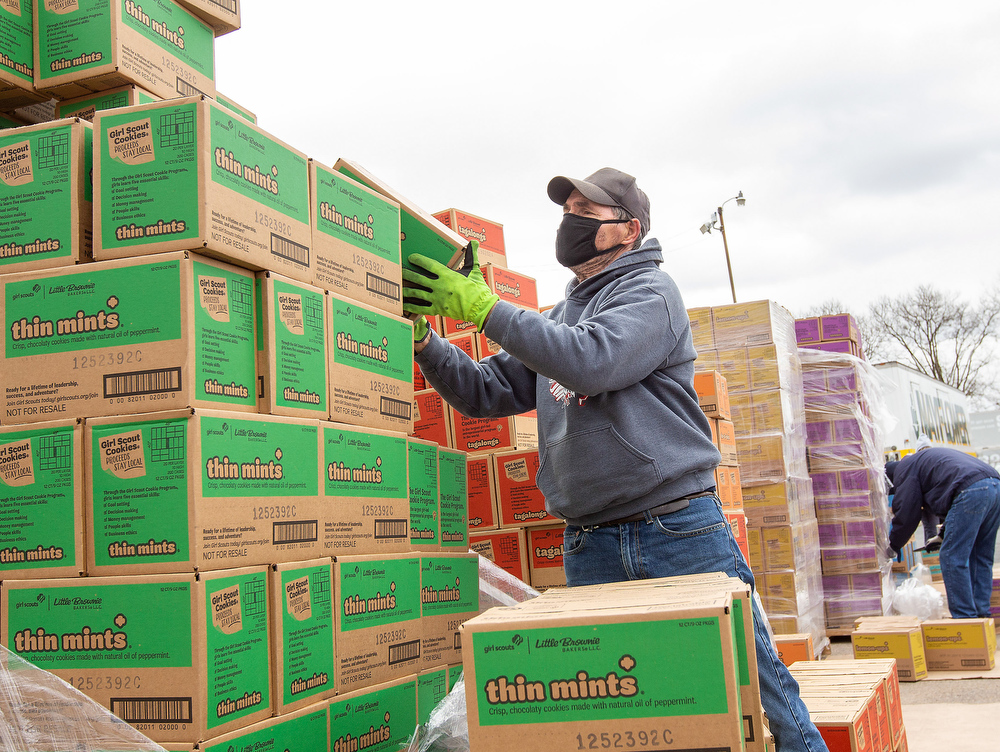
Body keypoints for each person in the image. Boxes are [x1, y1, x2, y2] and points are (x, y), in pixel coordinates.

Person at [403, 168, 829, 752]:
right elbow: (483, 391)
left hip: (676, 528)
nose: (570, 221)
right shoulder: (558, 317)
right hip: (590, 542)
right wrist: (427, 343)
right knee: (622, 716)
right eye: (567, 209)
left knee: (760, 687)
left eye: (586, 211)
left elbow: (591, 361)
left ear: (628, 230)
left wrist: (486, 309)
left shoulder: (652, 293)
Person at [886, 449, 1000, 619]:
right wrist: (943, 534)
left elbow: (908, 514)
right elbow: (951, 498)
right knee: (980, 556)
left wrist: (892, 546)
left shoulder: (904, 471)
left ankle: (965, 618)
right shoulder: (921, 463)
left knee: (952, 557)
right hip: (994, 486)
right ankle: (981, 615)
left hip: (971, 490)